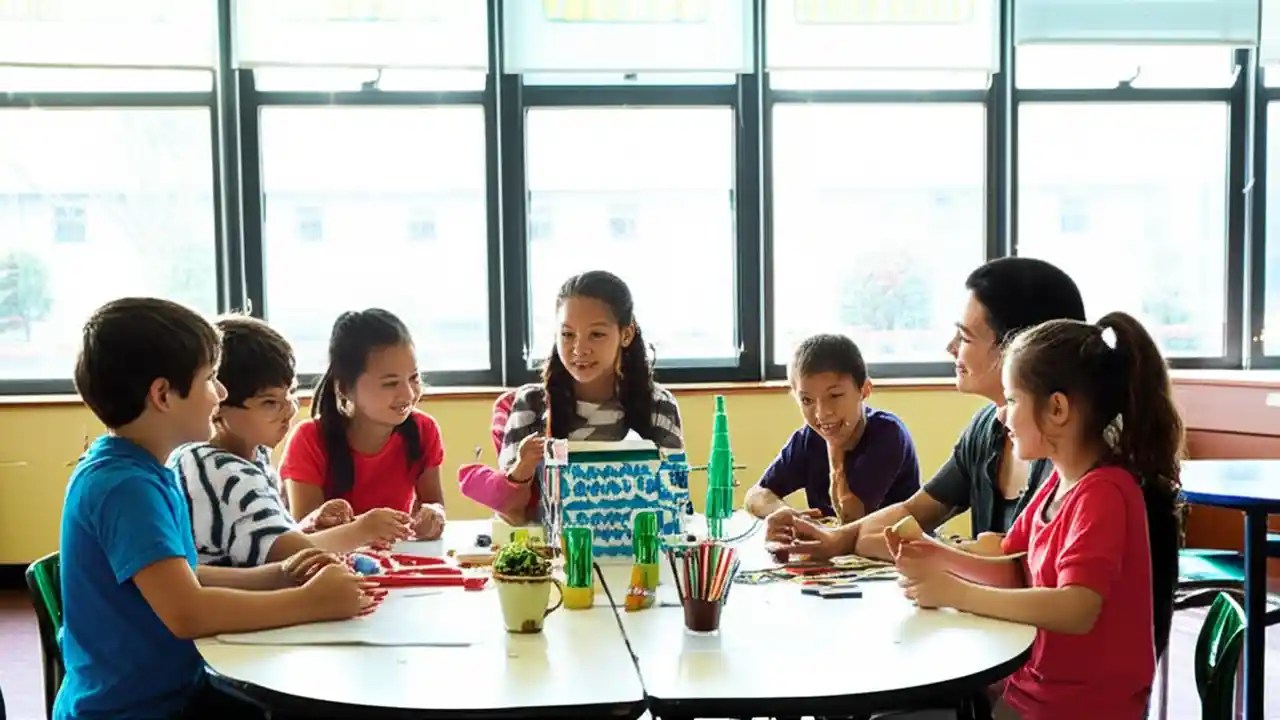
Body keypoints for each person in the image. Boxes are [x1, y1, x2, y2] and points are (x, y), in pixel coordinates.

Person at [57, 298, 376, 720]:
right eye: (210, 379)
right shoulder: (125, 487)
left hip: (172, 690)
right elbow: (187, 611)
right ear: (162, 395)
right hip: (135, 709)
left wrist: (279, 575)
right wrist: (310, 602)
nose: (221, 393)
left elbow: (179, 574)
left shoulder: (142, 469)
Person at [890, 312, 1183, 719]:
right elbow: (1010, 563)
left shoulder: (1105, 493)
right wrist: (932, 555)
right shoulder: (1057, 484)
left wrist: (956, 593)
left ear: (1057, 409)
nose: (1001, 416)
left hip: (1081, 708)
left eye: (1011, 400)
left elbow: (1077, 608)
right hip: (1035, 692)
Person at [767, 257, 1087, 561]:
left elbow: (1048, 577)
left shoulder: (1076, 452)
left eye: (964, 337)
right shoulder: (986, 427)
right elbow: (915, 511)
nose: (951, 347)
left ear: (1019, 348)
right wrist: (834, 539)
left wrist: (951, 556)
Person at [170, 315, 411, 567]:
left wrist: (308, 527)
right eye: (270, 403)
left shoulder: (248, 453)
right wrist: (361, 530)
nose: (289, 410)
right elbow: (282, 555)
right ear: (218, 404)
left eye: (292, 393)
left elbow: (260, 536)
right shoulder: (224, 472)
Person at [480, 271, 684, 523]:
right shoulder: (531, 405)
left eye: (596, 334)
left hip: (639, 556)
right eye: (567, 334)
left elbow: (675, 502)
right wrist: (522, 469)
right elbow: (512, 516)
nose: (579, 349)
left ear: (626, 334)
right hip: (551, 557)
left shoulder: (658, 405)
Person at [280, 309, 446, 541]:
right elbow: (305, 536)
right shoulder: (309, 440)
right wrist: (364, 527)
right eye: (390, 383)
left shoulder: (423, 430)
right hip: (327, 570)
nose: (408, 394)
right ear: (345, 388)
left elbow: (433, 504)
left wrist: (434, 516)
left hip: (397, 566)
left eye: (414, 378)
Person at [744, 333, 919, 523]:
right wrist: (789, 514)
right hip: (839, 548)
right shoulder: (807, 439)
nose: (821, 413)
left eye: (834, 396)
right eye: (807, 400)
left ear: (864, 390)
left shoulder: (888, 434)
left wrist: (835, 453)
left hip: (898, 546)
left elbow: (851, 517)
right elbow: (755, 496)